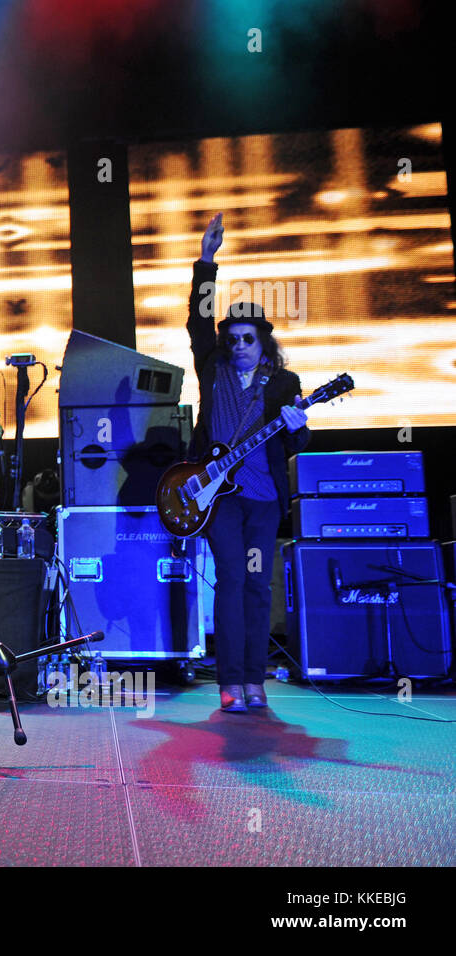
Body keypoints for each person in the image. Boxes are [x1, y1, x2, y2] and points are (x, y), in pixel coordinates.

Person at [187, 213, 310, 712]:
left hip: (261, 500)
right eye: (232, 338)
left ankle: (255, 680)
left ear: (263, 344)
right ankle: (229, 682)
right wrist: (207, 262)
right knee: (232, 580)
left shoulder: (282, 384)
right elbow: (196, 321)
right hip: (220, 500)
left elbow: (299, 447)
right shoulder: (212, 369)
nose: (238, 347)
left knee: (258, 585)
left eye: (247, 339)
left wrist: (297, 422)